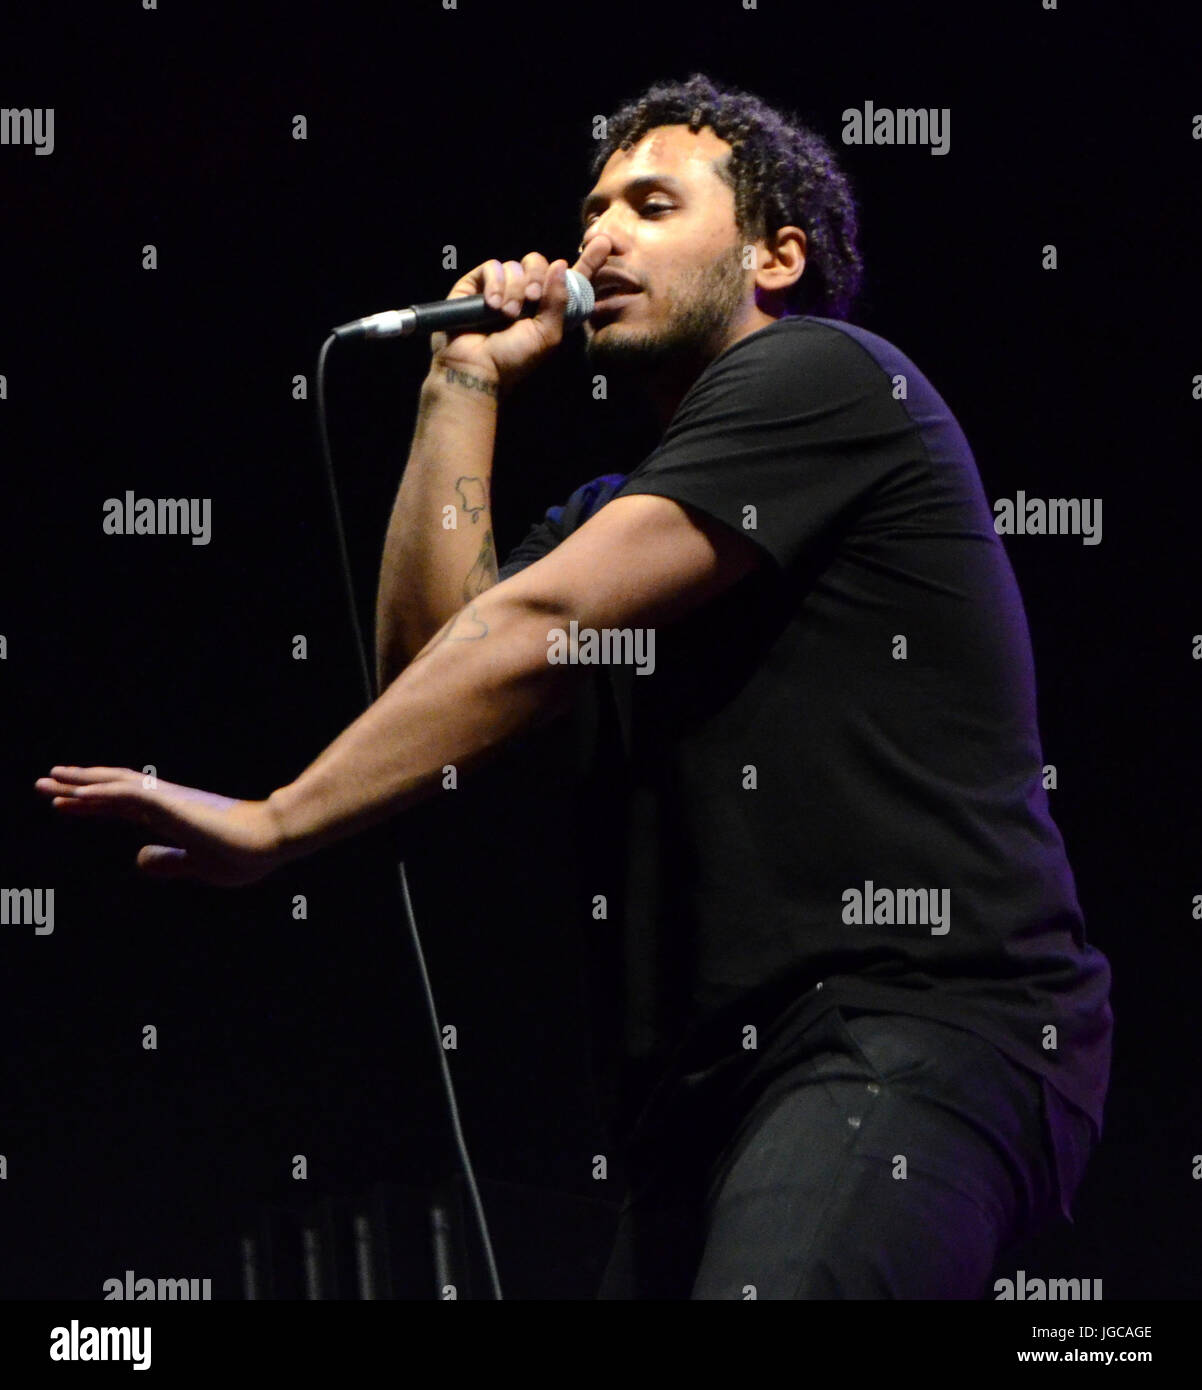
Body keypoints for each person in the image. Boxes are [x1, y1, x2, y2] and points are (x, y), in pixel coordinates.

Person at [36, 73, 1112, 1300]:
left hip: (914, 1024)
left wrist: (280, 819)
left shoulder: (827, 378)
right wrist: (465, 382)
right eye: (594, 208)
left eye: (651, 205)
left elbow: (534, 624)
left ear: (773, 256)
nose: (598, 236)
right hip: (708, 1095)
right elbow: (436, 671)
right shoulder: (619, 513)